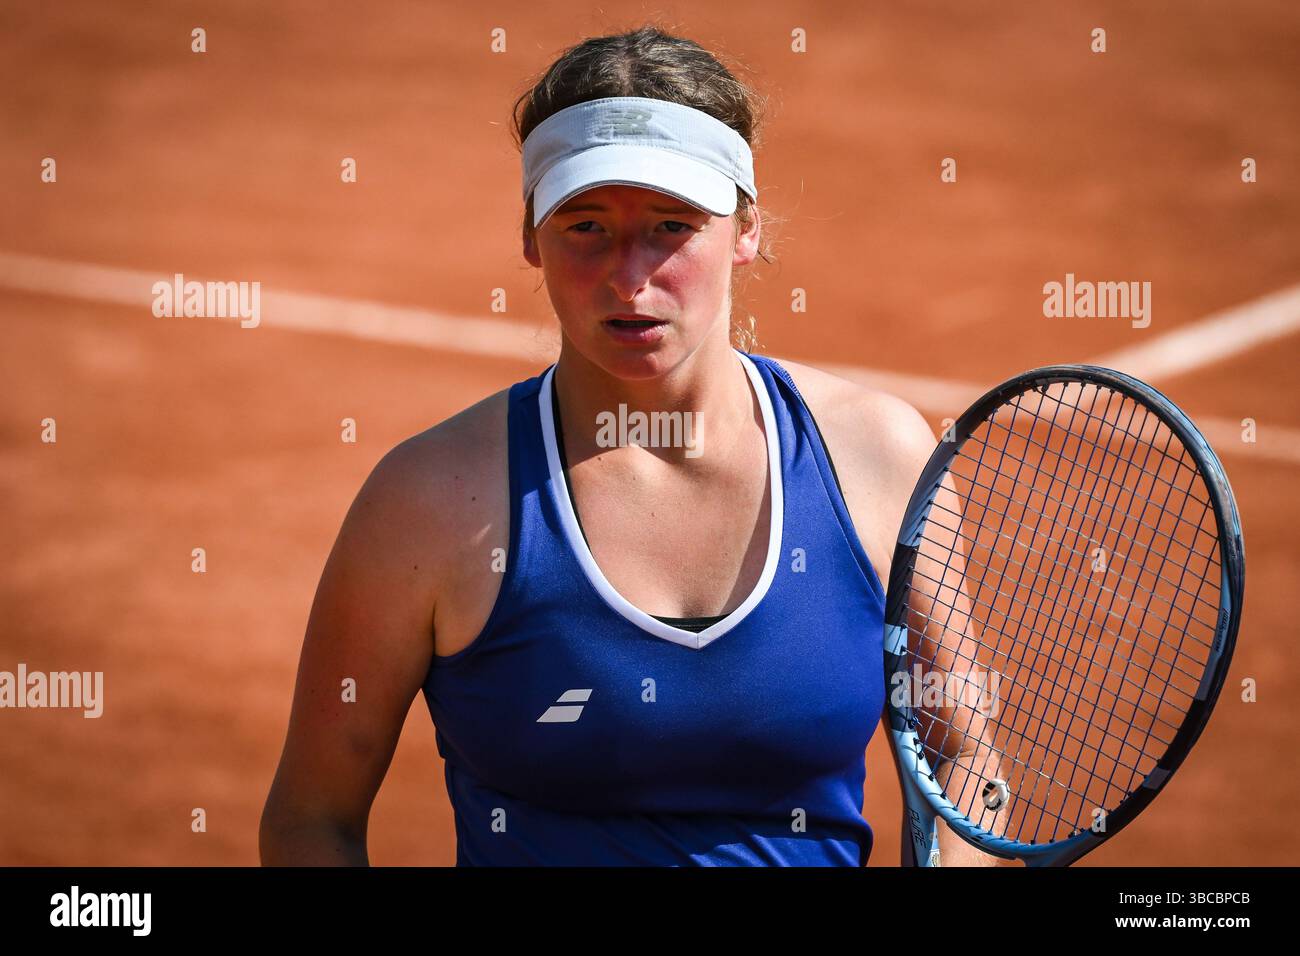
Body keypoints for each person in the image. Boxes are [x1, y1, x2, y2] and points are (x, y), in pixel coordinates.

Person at [260, 25, 994, 866]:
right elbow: (311, 820)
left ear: (745, 229)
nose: (630, 278)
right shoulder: (428, 502)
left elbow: (961, 760)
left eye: (672, 226)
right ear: (531, 234)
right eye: (586, 226)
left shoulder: (877, 455)